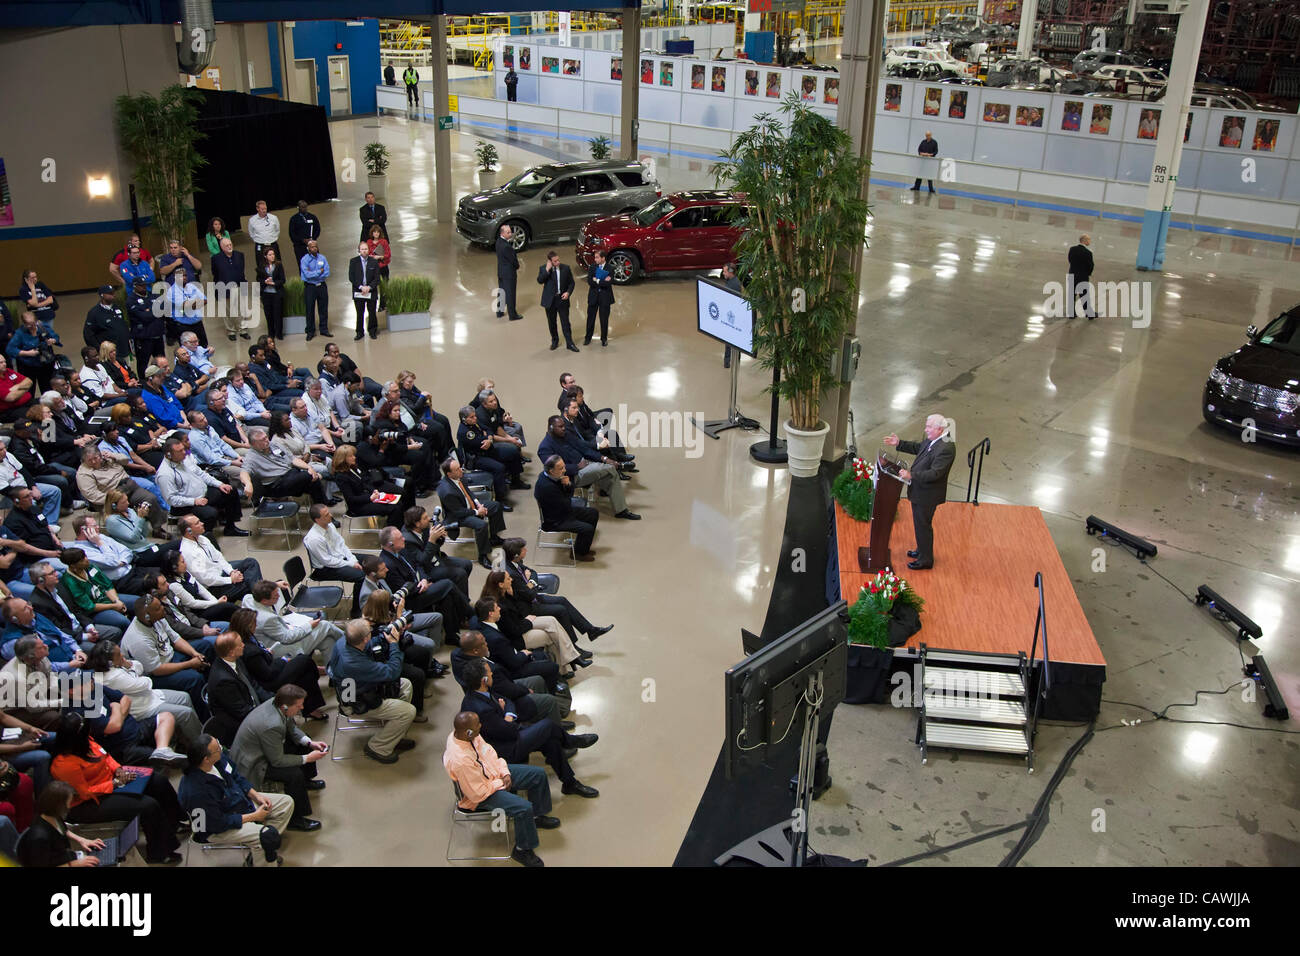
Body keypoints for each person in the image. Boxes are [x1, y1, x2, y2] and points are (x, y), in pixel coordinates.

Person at [48, 710, 184, 864]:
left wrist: (119, 770)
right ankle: (159, 852)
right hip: (87, 804)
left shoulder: (85, 741)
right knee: (147, 805)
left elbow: (105, 756)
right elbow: (84, 793)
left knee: (157, 781)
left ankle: (175, 822)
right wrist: (114, 784)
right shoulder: (64, 764)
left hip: (111, 781)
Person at [458, 658, 598, 797]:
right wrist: (507, 718)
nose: (492, 674)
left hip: (510, 733)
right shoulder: (480, 709)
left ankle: (569, 783)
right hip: (506, 748)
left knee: (550, 740)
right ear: (483, 680)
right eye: (489, 673)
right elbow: (509, 732)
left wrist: (508, 714)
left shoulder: (481, 690)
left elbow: (508, 701)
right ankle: (570, 741)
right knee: (547, 726)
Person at [443, 710, 557, 867]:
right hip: (480, 797)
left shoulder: (469, 735)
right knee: (523, 808)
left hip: (494, 776)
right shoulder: (460, 760)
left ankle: (537, 817)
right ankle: (522, 850)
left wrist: (504, 772)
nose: (481, 726)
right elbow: (477, 794)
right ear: (468, 732)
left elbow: (489, 753)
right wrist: (501, 783)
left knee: (538, 775)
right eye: (478, 725)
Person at [178, 732, 295, 865]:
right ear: (206, 759)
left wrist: (256, 795)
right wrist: (254, 816)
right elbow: (215, 823)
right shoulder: (196, 792)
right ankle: (263, 844)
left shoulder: (218, 760)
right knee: (265, 836)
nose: (221, 749)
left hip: (237, 802)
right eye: (218, 749)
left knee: (285, 803)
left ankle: (261, 848)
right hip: (216, 828)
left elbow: (236, 776)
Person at [231, 685, 326, 833]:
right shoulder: (271, 725)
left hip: (266, 747)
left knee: (303, 744)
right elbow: (277, 761)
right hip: (254, 764)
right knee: (293, 775)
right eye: (298, 705)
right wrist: (307, 758)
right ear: (286, 706)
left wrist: (309, 742)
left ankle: (306, 781)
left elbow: (291, 727)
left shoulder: (278, 705)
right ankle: (296, 819)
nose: (302, 708)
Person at [327, 618, 417, 764]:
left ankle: (393, 735)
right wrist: (394, 644)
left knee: (405, 685)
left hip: (356, 688)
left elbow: (369, 646)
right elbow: (393, 671)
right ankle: (378, 747)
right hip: (355, 701)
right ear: (365, 638)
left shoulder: (344, 642)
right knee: (408, 711)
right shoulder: (354, 664)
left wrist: (385, 636)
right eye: (370, 632)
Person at [86, 639, 202, 744]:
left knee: (184, 697)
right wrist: (134, 672)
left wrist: (129, 667)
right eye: (118, 654)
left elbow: (139, 667)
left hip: (149, 695)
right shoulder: (112, 677)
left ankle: (188, 737)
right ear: (110, 662)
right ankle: (200, 744)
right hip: (142, 708)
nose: (122, 655)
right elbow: (145, 683)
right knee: (186, 713)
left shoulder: (116, 666)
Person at [883, 414, 957, 570]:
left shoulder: (946, 448)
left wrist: (912, 475)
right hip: (920, 491)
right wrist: (899, 443)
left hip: (927, 495)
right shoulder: (935, 439)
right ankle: (922, 551)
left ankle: (925, 560)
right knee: (920, 525)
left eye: (929, 427)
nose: (926, 429)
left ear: (939, 429)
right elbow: (919, 448)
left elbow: (935, 473)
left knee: (923, 525)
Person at [501, 536, 611, 640]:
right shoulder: (512, 573)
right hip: (526, 607)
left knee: (562, 600)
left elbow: (532, 572)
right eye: (523, 549)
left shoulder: (515, 562)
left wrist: (530, 582)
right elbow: (530, 594)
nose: (526, 550)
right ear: (516, 555)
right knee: (560, 610)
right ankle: (572, 646)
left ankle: (590, 630)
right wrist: (531, 583)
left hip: (529, 598)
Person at [228, 606, 327, 718]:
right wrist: (283, 661)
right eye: (254, 623)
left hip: (268, 667)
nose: (256, 625)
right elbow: (267, 674)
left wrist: (267, 654)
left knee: (305, 671)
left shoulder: (246, 638)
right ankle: (315, 686)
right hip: (269, 682)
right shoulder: (249, 651)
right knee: (304, 661)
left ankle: (310, 708)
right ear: (249, 626)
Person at [538, 416, 639, 520]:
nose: (564, 428)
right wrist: (577, 466)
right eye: (560, 426)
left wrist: (604, 458)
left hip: (586, 465)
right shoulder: (545, 447)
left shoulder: (566, 435)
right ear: (550, 428)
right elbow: (554, 470)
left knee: (611, 476)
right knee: (608, 468)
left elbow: (585, 449)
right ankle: (619, 466)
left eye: (564, 425)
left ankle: (621, 511)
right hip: (572, 476)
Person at [379, 525, 471, 634]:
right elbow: (401, 588)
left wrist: (424, 579)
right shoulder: (387, 563)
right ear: (390, 544)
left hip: (420, 584)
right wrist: (421, 587)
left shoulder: (400, 550)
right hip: (411, 599)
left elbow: (418, 564)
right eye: (400, 538)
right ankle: (470, 614)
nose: (404, 539)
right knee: (447, 584)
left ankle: (452, 634)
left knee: (447, 596)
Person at [76, 446, 168, 535]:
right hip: (113, 495)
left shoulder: (108, 458)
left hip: (129, 485)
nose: (93, 461)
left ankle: (157, 529)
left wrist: (113, 455)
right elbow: (92, 495)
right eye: (89, 460)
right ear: (84, 460)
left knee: (150, 499)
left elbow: (126, 460)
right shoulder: (84, 473)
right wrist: (113, 498)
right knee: (127, 512)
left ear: (100, 455)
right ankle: (132, 533)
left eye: (95, 458)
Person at [15, 780, 107, 867]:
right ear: (59, 805)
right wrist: (73, 864)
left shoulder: (53, 815)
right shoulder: (39, 838)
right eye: (69, 802)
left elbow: (62, 830)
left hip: (61, 856)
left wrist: (82, 840)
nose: (70, 805)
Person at [242, 579, 341, 659]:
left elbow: (258, 589)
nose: (278, 596)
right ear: (264, 600)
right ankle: (352, 640)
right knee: (325, 625)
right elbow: (287, 638)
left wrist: (275, 585)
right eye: (275, 596)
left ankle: (333, 673)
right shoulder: (267, 619)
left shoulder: (248, 598)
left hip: (279, 634)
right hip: (282, 649)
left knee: (327, 641)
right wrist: (309, 625)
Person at [438, 456, 506, 569]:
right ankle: (482, 556)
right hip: (458, 515)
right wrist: (477, 512)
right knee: (481, 525)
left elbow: (468, 492)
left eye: (460, 467)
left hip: (469, 505)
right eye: (457, 469)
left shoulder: (459, 477)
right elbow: (458, 512)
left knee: (496, 506)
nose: (461, 470)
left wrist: (478, 504)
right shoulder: (447, 491)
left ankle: (493, 537)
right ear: (449, 474)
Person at [177, 514, 263, 600]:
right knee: (249, 579)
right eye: (197, 523)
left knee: (250, 562)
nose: (202, 523)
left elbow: (218, 557)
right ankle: (262, 595)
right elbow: (205, 579)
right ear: (189, 531)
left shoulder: (202, 538)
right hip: (213, 587)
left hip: (220, 572)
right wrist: (230, 579)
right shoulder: (188, 552)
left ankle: (259, 594)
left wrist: (231, 571)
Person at [206, 629, 267, 744]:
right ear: (231, 652)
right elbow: (242, 712)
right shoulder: (223, 681)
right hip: (240, 723)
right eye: (240, 644)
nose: (244, 645)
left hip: (251, 704)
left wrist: (271, 699)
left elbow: (252, 684)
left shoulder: (235, 660)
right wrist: (268, 713)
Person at [534, 453, 599, 560]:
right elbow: (567, 502)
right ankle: (578, 554)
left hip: (560, 511)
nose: (564, 470)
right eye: (561, 468)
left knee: (593, 513)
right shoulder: (548, 487)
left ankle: (581, 548)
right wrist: (567, 486)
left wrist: (568, 484)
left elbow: (567, 499)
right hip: (555, 520)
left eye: (564, 466)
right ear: (551, 471)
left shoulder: (551, 476)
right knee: (588, 529)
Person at [244, 426, 329, 504]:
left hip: (291, 475)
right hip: (276, 484)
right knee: (309, 476)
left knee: (313, 483)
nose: (266, 440)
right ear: (254, 444)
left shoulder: (274, 445)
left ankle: (321, 513)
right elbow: (244, 472)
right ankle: (330, 477)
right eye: (262, 440)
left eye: (266, 437)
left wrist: (309, 467)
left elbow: (293, 459)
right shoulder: (251, 457)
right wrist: (248, 483)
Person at [332, 444, 412, 526]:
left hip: (368, 497)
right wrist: (370, 498)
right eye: (351, 456)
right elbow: (351, 499)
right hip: (358, 506)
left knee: (398, 503)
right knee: (395, 508)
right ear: (343, 459)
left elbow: (363, 483)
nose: (354, 457)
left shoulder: (352, 468)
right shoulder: (341, 477)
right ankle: (392, 532)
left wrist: (375, 492)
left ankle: (399, 526)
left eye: (353, 455)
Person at [211, 236, 251, 342]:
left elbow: (242, 271)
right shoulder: (216, 258)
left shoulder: (239, 255)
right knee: (227, 311)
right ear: (221, 247)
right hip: (224, 287)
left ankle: (243, 329)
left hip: (238, 286)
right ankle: (231, 331)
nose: (229, 247)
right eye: (226, 245)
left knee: (241, 309)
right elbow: (215, 274)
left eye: (230, 244)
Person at [538, 250, 577, 351]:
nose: (558, 262)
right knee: (552, 322)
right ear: (550, 262)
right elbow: (540, 280)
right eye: (555, 261)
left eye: (558, 260)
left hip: (562, 299)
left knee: (565, 322)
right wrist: (547, 269)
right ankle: (554, 341)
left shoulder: (566, 268)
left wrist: (568, 292)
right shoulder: (543, 269)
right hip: (550, 301)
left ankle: (570, 343)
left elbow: (571, 283)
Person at [83, 286, 132, 362]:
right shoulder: (94, 313)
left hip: (123, 349)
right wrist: (99, 349)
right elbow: (88, 334)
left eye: (113, 293)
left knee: (126, 371)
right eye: (110, 293)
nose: (113, 295)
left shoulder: (117, 308)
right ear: (102, 295)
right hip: (109, 353)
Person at [348, 241, 381, 341]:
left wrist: (369, 287)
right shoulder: (353, 261)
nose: (364, 251)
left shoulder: (374, 262)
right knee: (359, 312)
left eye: (366, 249)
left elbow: (377, 278)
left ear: (369, 250)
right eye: (362, 249)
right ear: (359, 250)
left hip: (371, 291)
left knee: (372, 312)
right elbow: (351, 277)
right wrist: (361, 287)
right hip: (359, 291)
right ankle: (359, 332)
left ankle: (372, 331)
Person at [584, 249, 615, 346]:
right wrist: (602, 280)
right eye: (595, 257)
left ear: (603, 258)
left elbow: (608, 283)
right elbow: (589, 281)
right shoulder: (592, 267)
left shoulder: (610, 268)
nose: (595, 259)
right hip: (593, 296)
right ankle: (588, 338)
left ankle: (604, 339)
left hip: (605, 297)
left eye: (597, 257)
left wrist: (596, 280)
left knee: (604, 319)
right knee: (590, 318)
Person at [495, 224, 523, 321]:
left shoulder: (498, 242)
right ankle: (513, 315)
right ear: (502, 233)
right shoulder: (506, 246)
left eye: (510, 231)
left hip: (501, 272)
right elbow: (513, 260)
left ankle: (499, 312)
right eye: (508, 232)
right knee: (510, 294)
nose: (511, 234)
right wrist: (517, 266)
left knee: (502, 292)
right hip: (509, 274)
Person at [287, 200, 321, 279]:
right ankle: (305, 278)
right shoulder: (294, 219)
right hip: (300, 246)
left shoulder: (312, 217)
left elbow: (318, 229)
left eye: (305, 207)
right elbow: (292, 233)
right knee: (302, 263)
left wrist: (312, 239)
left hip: (312, 244)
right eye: (302, 207)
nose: (304, 209)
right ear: (298, 207)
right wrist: (302, 240)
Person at [1067, 234, 1095, 320]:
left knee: (1072, 295)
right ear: (1085, 241)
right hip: (1082, 276)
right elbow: (1090, 265)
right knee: (1084, 296)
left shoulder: (1072, 249)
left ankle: (1071, 314)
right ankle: (1089, 313)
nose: (1089, 241)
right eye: (1089, 240)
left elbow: (1070, 260)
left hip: (1072, 274)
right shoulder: (1088, 253)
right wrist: (1087, 273)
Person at [247, 200, 281, 264]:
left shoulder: (273, 218)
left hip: (273, 244)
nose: (264, 210)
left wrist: (273, 238)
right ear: (257, 209)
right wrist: (258, 240)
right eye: (262, 209)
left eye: (265, 208)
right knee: (261, 264)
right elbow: (251, 233)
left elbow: (277, 230)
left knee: (277, 263)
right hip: (261, 245)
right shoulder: (252, 220)